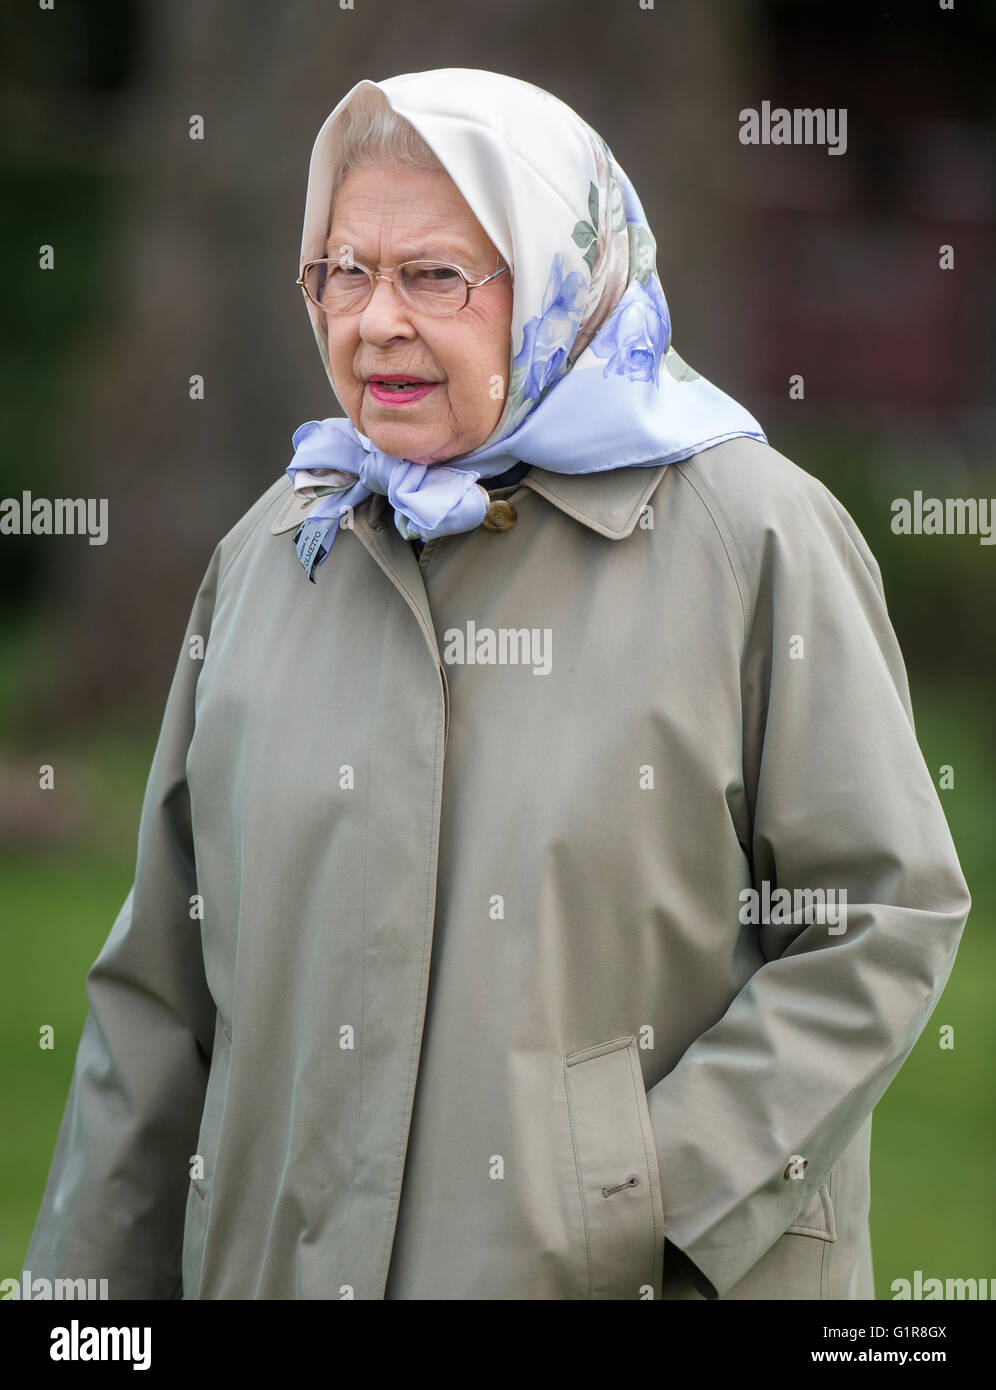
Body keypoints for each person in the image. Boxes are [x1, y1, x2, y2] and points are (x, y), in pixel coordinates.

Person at [22, 67, 970, 1301]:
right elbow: (157, 998)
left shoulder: (754, 539)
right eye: (342, 270)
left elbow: (878, 917)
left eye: (433, 275)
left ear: (564, 279)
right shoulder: (270, 554)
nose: (375, 321)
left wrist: (656, 1210)